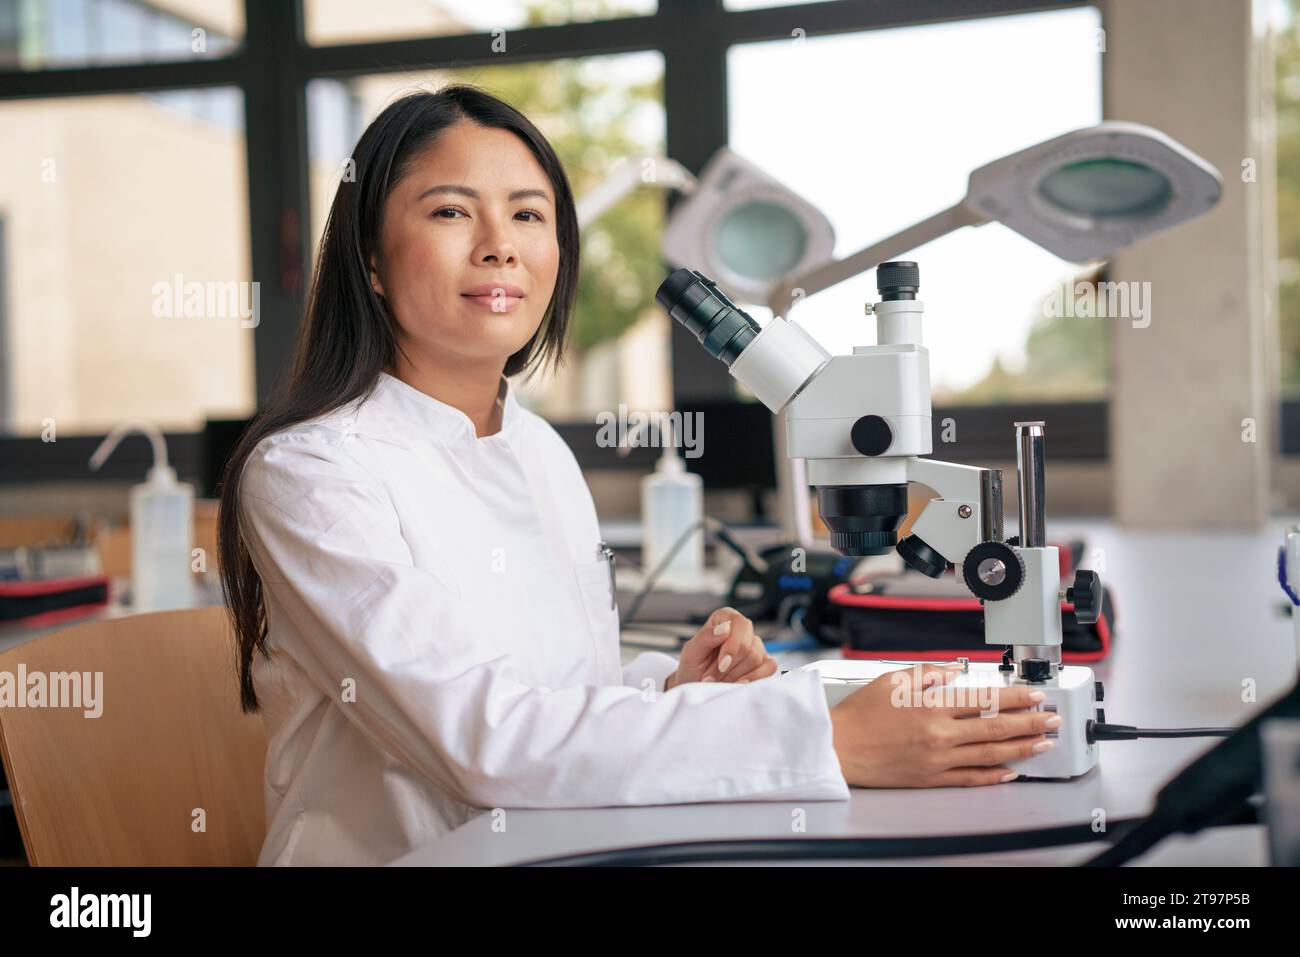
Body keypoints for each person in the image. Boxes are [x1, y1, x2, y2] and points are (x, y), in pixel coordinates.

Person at [217, 85, 1057, 866]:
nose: (500, 245)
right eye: (450, 211)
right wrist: (824, 739)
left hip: (574, 847)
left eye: (528, 214)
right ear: (370, 259)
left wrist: (677, 684)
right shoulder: (311, 471)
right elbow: (480, 740)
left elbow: (563, 689)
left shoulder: (539, 449)